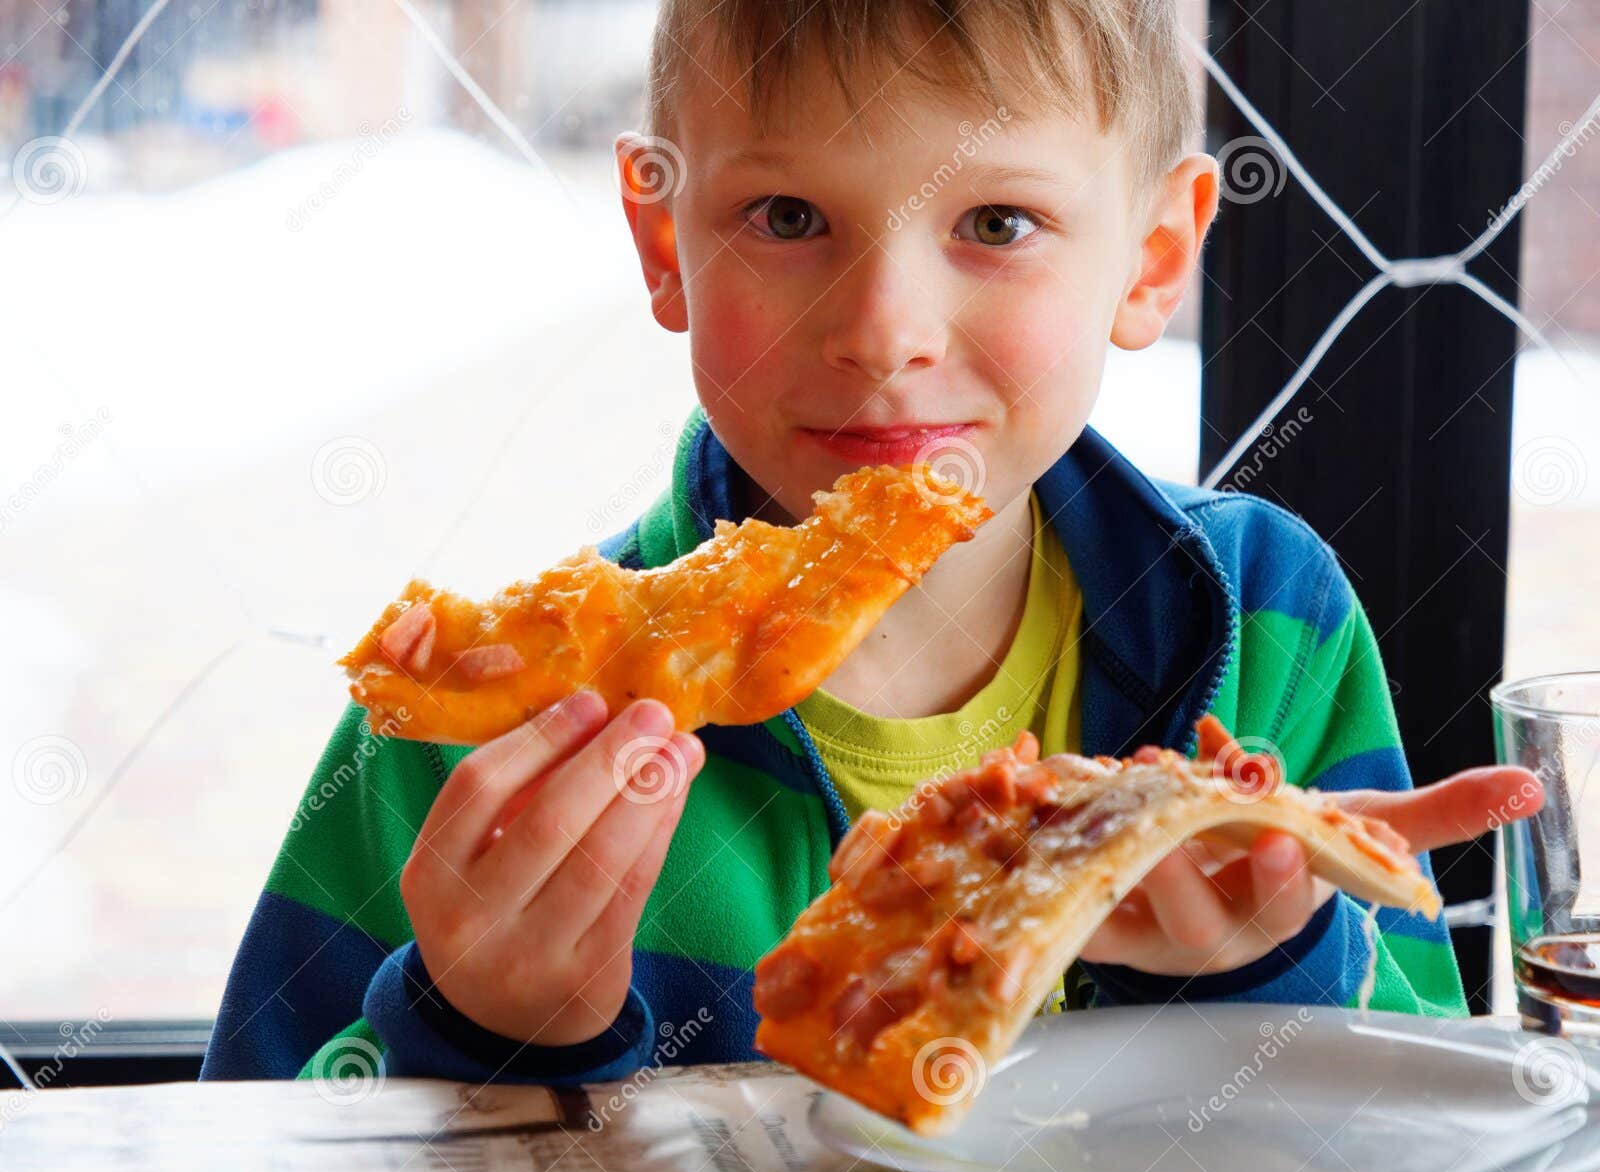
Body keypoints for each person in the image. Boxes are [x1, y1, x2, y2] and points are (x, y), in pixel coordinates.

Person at [201, 0, 1541, 1085]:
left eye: (996, 225)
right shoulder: (475, 738)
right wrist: (476, 1030)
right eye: (788, 219)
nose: (884, 328)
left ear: (1148, 257)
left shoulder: (1270, 622)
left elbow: (1413, 1152)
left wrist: (1271, 968)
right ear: (666, 243)